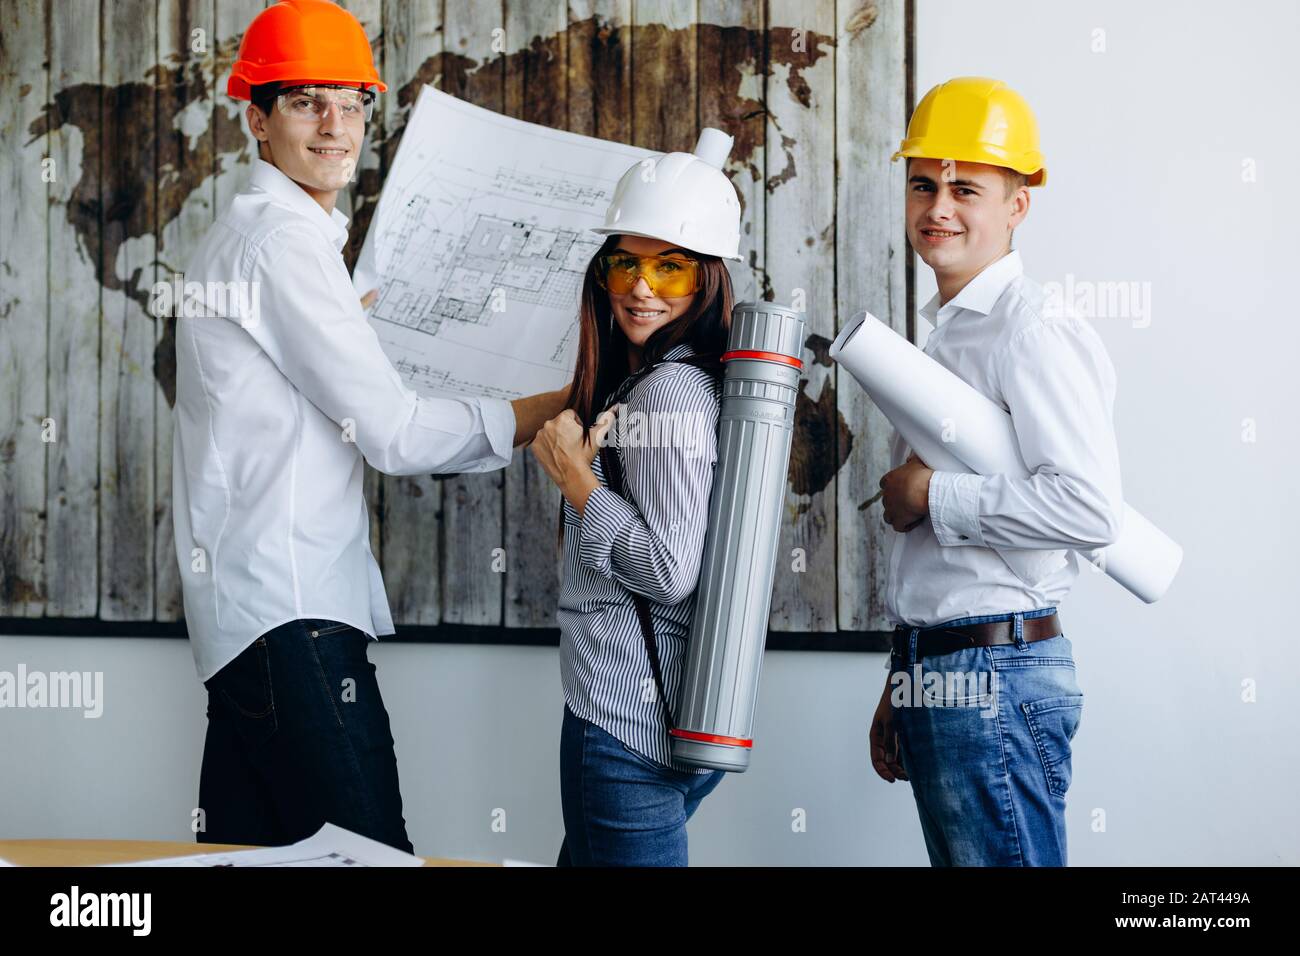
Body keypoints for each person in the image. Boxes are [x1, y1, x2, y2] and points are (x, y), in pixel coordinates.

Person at [173, 0, 567, 851]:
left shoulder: (256, 239)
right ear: (257, 116)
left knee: (255, 861)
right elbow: (392, 435)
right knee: (369, 858)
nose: (336, 124)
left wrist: (347, 325)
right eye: (307, 100)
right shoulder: (281, 245)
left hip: (247, 626)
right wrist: (549, 407)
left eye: (352, 102)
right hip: (293, 621)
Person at [868, 77, 1124, 866]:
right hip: (948, 665)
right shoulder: (945, 338)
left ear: (1018, 204)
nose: (937, 206)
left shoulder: (1031, 330)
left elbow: (1089, 511)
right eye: (923, 184)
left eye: (965, 188)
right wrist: (903, 673)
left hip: (995, 672)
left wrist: (929, 494)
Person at [529, 130, 743, 866]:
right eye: (626, 262)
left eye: (670, 268)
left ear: (706, 279)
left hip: (624, 724)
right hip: (639, 714)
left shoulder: (672, 393)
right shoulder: (656, 381)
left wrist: (577, 482)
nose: (641, 287)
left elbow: (668, 570)